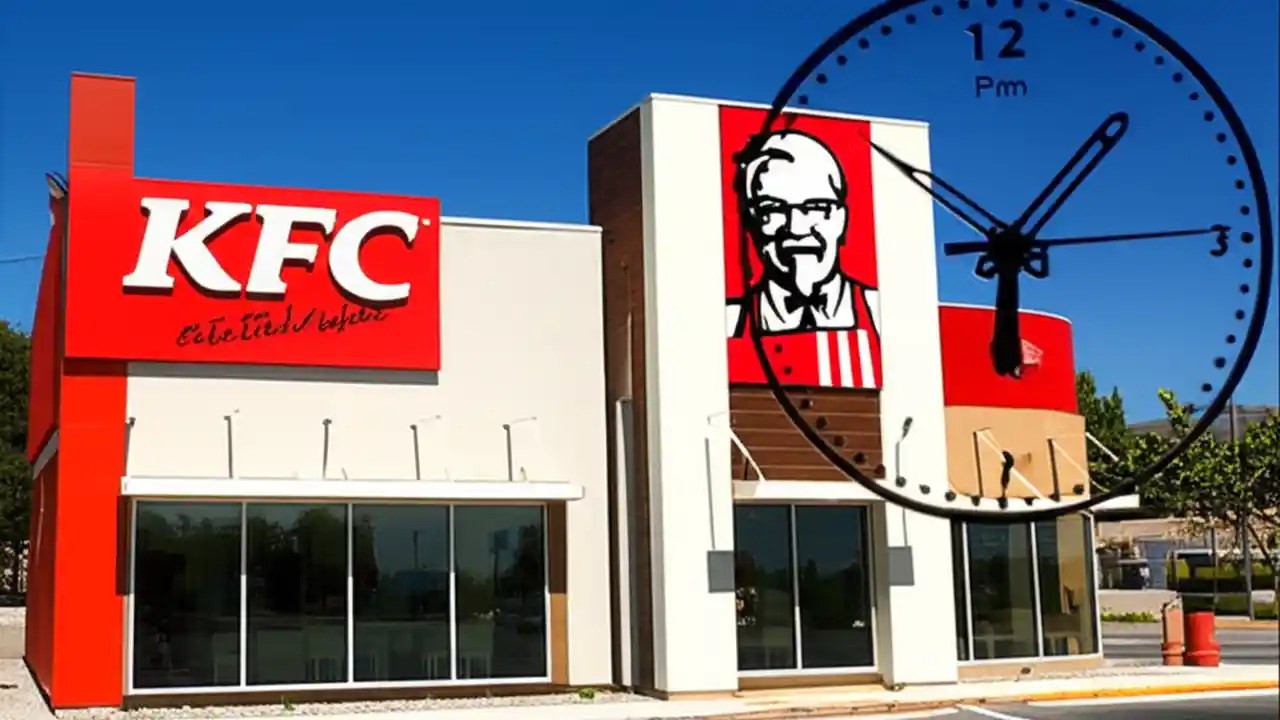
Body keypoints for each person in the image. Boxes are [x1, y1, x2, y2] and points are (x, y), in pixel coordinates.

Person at [726, 130, 882, 389]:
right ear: (750, 222)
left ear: (841, 219)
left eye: (816, 208)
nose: (797, 228)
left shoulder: (881, 314)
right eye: (773, 209)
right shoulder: (727, 323)